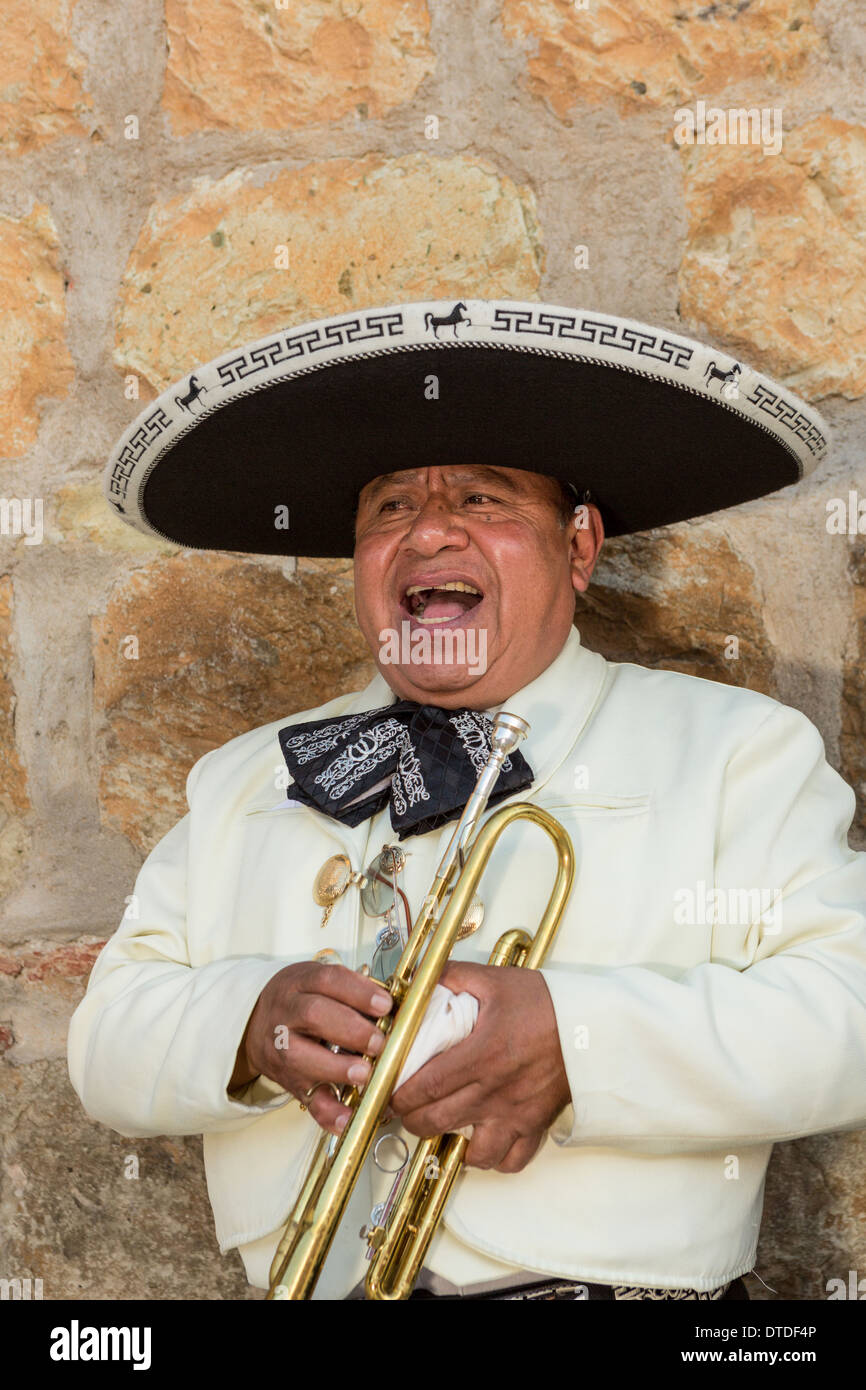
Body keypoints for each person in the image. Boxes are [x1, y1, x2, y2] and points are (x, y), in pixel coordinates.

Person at [68, 298, 866, 1301]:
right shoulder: (243, 777)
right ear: (360, 563)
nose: (430, 530)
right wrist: (248, 1025)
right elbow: (105, 1040)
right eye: (389, 508)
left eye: (485, 501)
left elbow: (846, 1010)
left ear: (578, 550)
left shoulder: (733, 750)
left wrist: (573, 1043)